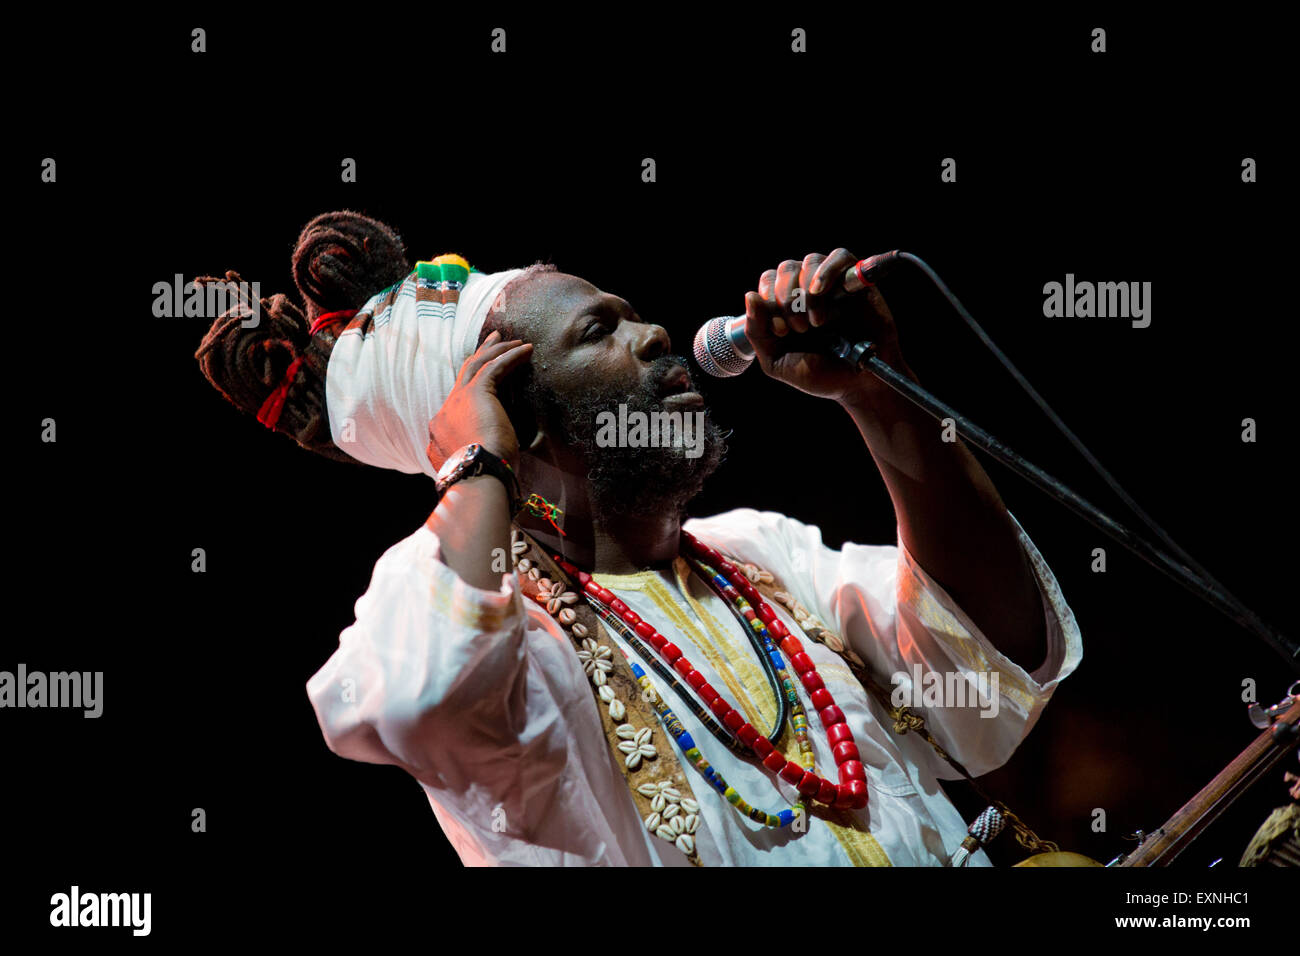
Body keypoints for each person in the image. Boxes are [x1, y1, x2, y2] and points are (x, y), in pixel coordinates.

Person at [196, 210, 1081, 866]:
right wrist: (470, 467)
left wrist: (877, 395)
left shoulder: (756, 556)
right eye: (598, 330)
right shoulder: (478, 613)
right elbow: (417, 700)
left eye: (626, 313)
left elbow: (986, 665)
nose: (655, 332)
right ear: (513, 418)